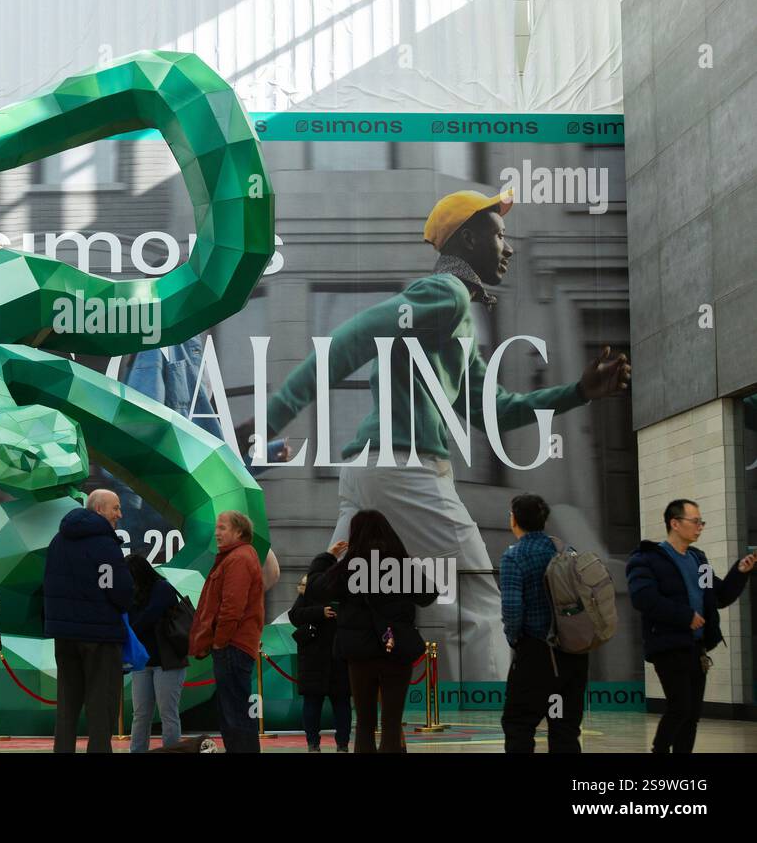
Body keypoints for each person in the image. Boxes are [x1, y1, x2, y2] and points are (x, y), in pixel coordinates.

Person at [245, 189, 631, 680]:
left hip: (370, 474)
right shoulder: (445, 294)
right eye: (498, 235)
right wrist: (269, 418)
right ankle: (494, 724)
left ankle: (249, 671)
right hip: (404, 470)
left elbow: (496, 409)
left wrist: (578, 391)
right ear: (468, 239)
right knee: (477, 595)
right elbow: (353, 337)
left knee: (331, 589)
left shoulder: (459, 320)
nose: (507, 248)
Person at [627, 499, 755, 754]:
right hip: (668, 644)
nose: (700, 527)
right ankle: (660, 750)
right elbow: (643, 598)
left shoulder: (699, 560)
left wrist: (739, 572)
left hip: (696, 647)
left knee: (692, 713)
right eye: (695, 521)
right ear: (675, 524)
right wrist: (685, 615)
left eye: (701, 522)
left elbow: (717, 596)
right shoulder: (646, 558)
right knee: (680, 707)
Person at [320, 509, 436, 753]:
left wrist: (327, 558)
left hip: (360, 652)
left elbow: (318, 589)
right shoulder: (401, 565)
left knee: (364, 723)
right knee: (392, 723)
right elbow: (428, 595)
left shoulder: (350, 566)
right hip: (396, 647)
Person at [43, 489, 134, 753]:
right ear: (99, 510)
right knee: (101, 707)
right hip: (100, 636)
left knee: (67, 705)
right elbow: (121, 591)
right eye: (115, 508)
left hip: (64, 634)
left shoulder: (58, 541)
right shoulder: (106, 545)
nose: (120, 514)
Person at [498, 493, 587, 753]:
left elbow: (512, 609)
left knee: (518, 723)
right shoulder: (565, 550)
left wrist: (515, 640)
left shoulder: (515, 555)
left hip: (537, 652)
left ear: (514, 519)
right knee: (565, 727)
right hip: (575, 652)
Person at [189, 510, 264, 754]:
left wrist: (220, 641)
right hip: (234, 644)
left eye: (222, 528)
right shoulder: (237, 557)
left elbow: (232, 607)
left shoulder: (238, 559)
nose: (217, 533)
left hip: (232, 645)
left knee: (234, 715)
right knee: (234, 712)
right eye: (217, 527)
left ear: (239, 531)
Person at [289, 541, 351, 752]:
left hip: (337, 655)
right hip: (314, 655)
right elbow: (294, 615)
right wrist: (319, 612)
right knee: (313, 703)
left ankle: (342, 744)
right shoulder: (308, 592)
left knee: (341, 702)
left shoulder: (346, 591)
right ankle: (312, 744)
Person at [125, 552, 188, 752]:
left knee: (168, 714)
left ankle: (171, 751)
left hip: (167, 661)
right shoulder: (132, 594)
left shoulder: (162, 588)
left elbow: (148, 616)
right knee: (140, 714)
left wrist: (128, 630)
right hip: (144, 662)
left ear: (138, 574)